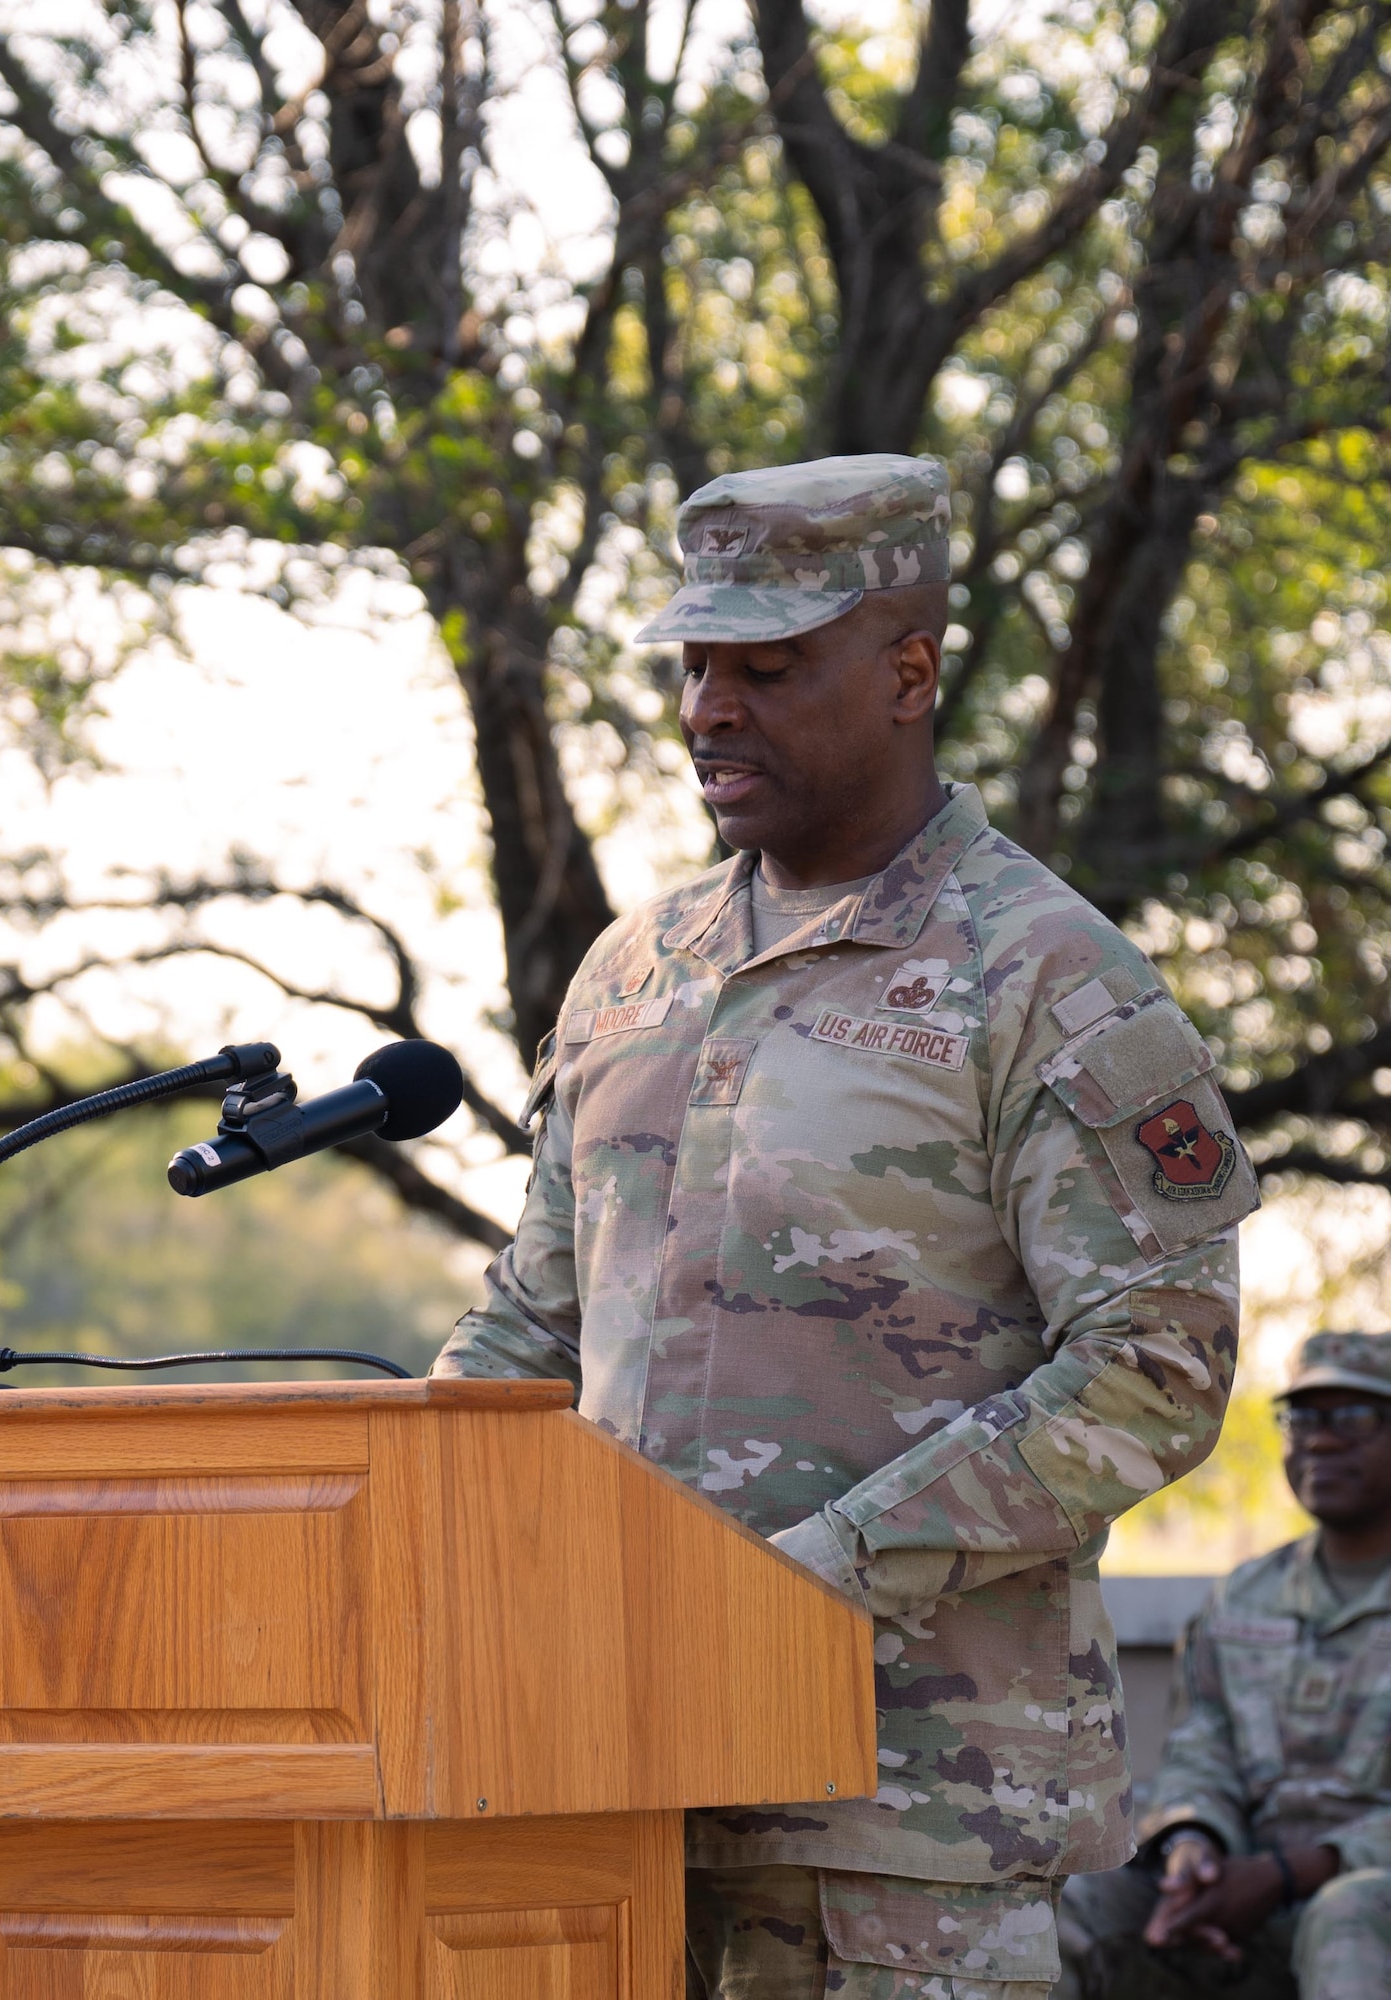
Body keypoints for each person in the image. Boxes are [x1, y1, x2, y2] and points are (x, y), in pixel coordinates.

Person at [430, 455, 1255, 1999]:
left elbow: (1158, 1365)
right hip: (608, 1792)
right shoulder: (632, 969)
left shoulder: (1047, 978)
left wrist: (819, 1574)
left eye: (768, 666)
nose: (708, 710)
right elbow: (532, 1326)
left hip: (905, 1824)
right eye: (693, 666)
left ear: (909, 671)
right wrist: (402, 1517)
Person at [1057, 1330, 1391, 2000]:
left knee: (1347, 1912)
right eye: (1303, 1418)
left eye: (1353, 1417)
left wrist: (1291, 1873)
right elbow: (1199, 1751)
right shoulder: (1244, 1596)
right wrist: (1192, 1849)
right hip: (1243, 1885)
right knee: (1072, 1898)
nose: (1321, 1440)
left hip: (1361, 1898)